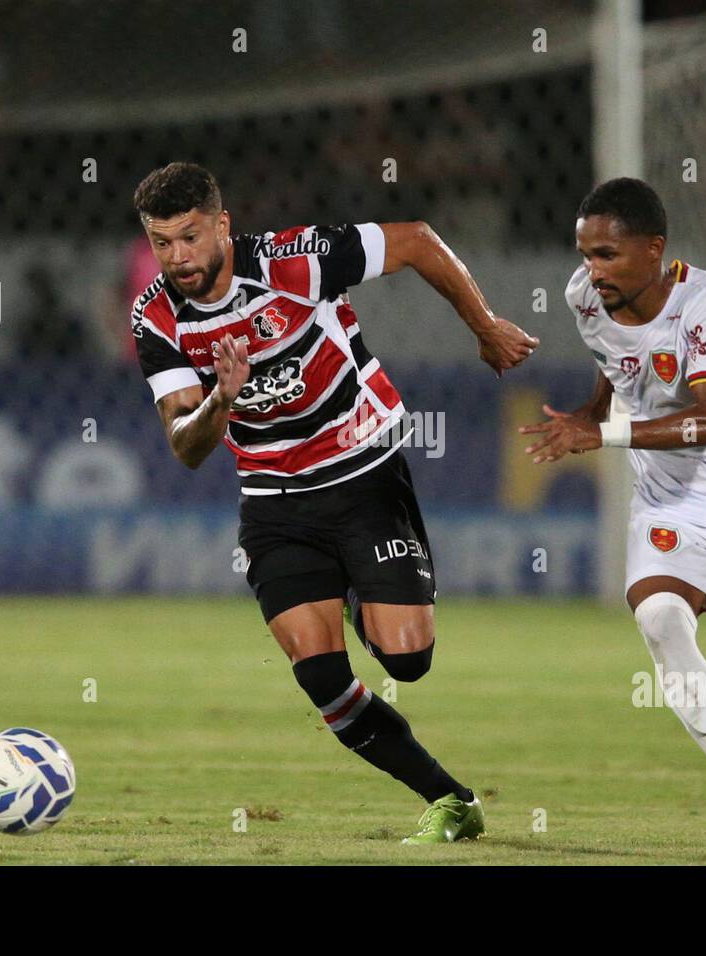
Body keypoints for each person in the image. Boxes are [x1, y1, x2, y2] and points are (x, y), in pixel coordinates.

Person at [129, 162, 539, 843]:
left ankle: (357, 591)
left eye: (191, 237)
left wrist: (485, 324)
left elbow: (416, 240)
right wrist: (220, 400)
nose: (179, 258)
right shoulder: (156, 317)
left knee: (408, 659)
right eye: (163, 242)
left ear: (222, 225)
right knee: (321, 677)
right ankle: (451, 800)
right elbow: (184, 443)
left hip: (362, 474)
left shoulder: (297, 260)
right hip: (274, 502)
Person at [520, 178, 706, 847]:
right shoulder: (583, 297)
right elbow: (616, 363)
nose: (592, 271)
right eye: (586, 253)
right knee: (658, 619)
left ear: (654, 250)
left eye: (607, 255)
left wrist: (604, 435)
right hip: (667, 504)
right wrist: (592, 411)